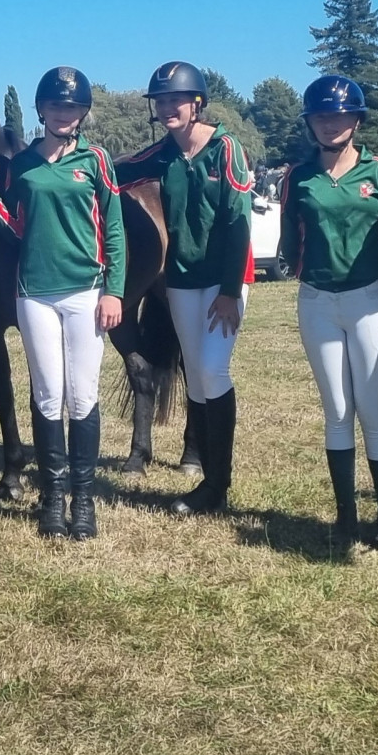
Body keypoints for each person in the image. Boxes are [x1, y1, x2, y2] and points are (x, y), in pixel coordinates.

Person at [0, 66, 126, 541]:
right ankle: (52, 498)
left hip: (85, 292)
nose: (63, 113)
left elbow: (113, 230)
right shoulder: (24, 164)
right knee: (48, 395)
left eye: (72, 107)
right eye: (56, 106)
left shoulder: (97, 160)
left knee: (83, 396)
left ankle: (84, 499)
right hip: (34, 293)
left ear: (81, 113)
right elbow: (15, 229)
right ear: (42, 110)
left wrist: (114, 288)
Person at [276, 75, 378, 551]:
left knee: (373, 410)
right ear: (310, 123)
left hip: (367, 300)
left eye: (339, 116)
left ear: (356, 120)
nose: (330, 124)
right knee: (337, 410)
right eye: (321, 116)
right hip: (317, 301)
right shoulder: (297, 176)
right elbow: (288, 236)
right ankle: (345, 517)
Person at [117, 62, 256, 518]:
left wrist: (231, 290)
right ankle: (208, 482)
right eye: (161, 102)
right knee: (196, 375)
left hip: (224, 281)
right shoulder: (163, 154)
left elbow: (238, 223)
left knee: (213, 371)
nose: (167, 108)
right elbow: (113, 170)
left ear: (197, 103)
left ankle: (218, 484)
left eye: (175, 100)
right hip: (180, 282)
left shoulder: (226, 150)